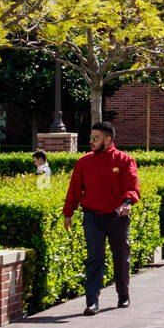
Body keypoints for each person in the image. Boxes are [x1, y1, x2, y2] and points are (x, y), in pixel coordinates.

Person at [62, 123, 140, 315]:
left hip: (117, 216)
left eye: (95, 138)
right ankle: (92, 302)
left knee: (121, 256)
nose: (91, 141)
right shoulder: (84, 162)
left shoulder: (124, 160)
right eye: (91, 137)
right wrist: (68, 212)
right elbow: (74, 189)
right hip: (92, 216)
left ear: (107, 140)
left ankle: (123, 295)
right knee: (94, 258)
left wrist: (127, 202)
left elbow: (132, 185)